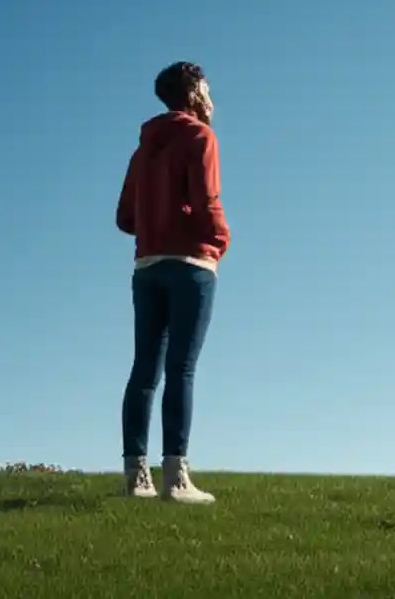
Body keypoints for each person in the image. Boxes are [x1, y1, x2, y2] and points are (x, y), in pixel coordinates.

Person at [116, 61, 230, 504]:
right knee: (181, 367)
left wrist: (155, 220)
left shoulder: (143, 148)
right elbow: (206, 201)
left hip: (146, 266)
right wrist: (220, 238)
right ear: (194, 91)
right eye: (206, 85)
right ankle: (176, 478)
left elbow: (125, 217)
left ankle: (135, 476)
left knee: (144, 369)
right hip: (190, 265)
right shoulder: (200, 136)